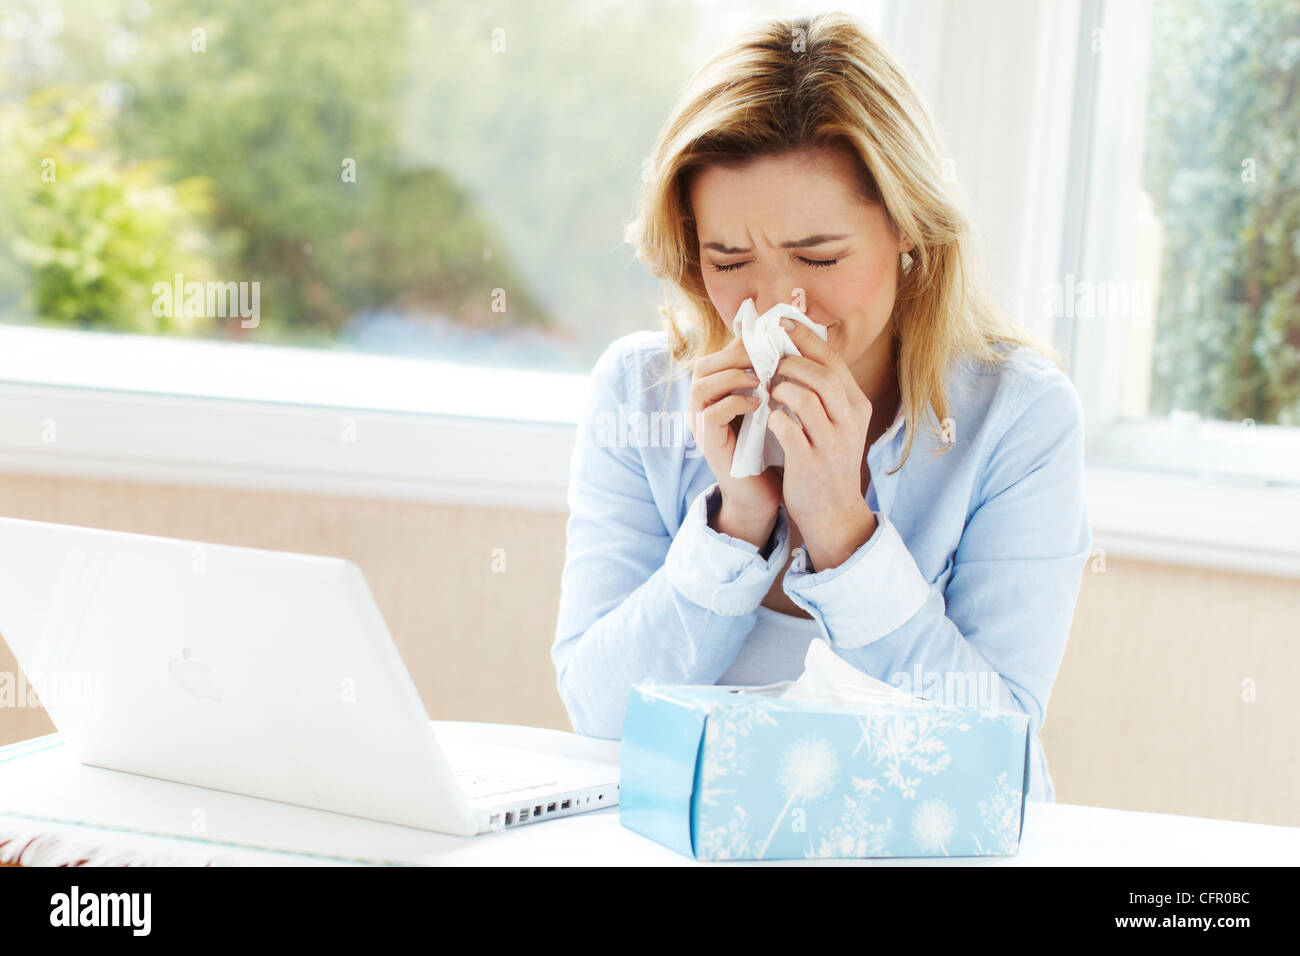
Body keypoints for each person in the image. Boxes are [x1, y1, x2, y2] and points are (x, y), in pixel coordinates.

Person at [551, 11, 1090, 803]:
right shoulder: (642, 394)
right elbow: (596, 712)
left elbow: (994, 752)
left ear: (909, 230)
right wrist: (735, 522)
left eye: (819, 256)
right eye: (728, 259)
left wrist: (843, 530)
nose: (776, 302)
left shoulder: (1019, 417)